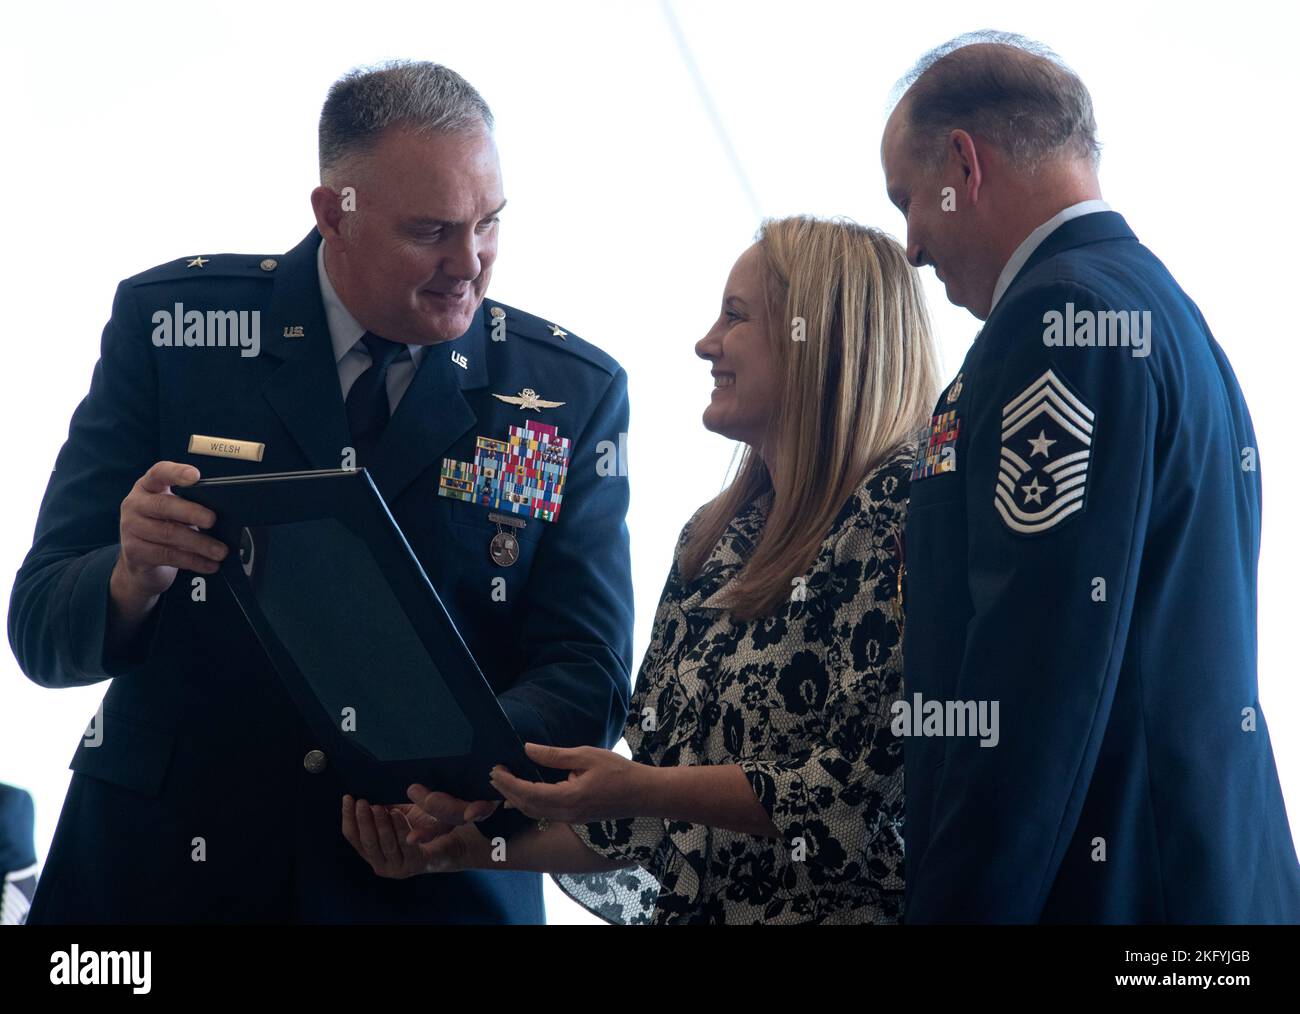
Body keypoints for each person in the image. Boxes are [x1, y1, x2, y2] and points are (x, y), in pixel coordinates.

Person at [8, 61, 633, 924]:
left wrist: (456, 778)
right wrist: (130, 576)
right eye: (431, 232)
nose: (471, 263)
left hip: (426, 889)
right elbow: (39, 628)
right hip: (163, 878)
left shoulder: (567, 392)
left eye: (490, 223)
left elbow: (588, 671)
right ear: (332, 213)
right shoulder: (178, 330)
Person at [343, 216, 942, 924]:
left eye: (736, 316)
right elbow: (642, 826)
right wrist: (462, 850)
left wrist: (643, 789)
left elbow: (857, 804)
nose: (705, 343)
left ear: (823, 339)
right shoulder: (715, 536)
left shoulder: (904, 513)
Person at [880, 30, 1300, 923]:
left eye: (907, 201)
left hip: (1110, 896)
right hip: (1206, 879)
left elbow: (1033, 675)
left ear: (965, 163)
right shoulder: (1167, 315)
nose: (910, 246)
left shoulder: (1060, 322)